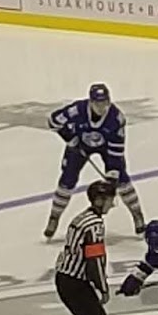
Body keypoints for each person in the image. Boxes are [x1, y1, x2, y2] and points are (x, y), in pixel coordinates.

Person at [45, 84, 145, 238]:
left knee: (122, 180)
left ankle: (137, 215)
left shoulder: (116, 119)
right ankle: (54, 217)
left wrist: (112, 177)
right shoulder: (77, 110)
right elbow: (53, 121)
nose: (102, 107)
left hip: (106, 147)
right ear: (90, 102)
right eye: (98, 103)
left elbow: (116, 153)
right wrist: (70, 138)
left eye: (105, 103)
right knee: (67, 179)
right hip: (79, 145)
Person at [55, 180, 117, 315]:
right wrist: (102, 287)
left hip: (67, 278)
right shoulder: (94, 225)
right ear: (100, 200)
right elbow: (94, 260)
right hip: (74, 282)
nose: (112, 204)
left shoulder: (83, 217)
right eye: (110, 199)